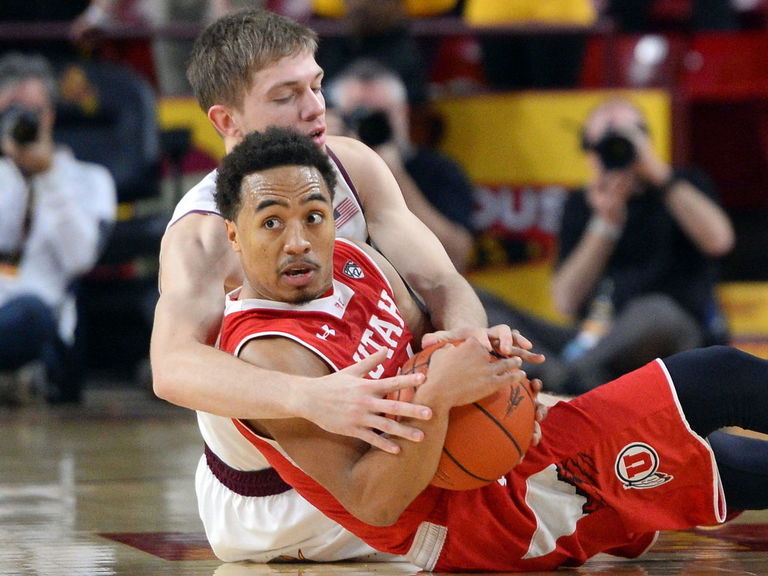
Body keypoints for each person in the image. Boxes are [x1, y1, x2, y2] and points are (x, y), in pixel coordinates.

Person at [203, 126, 768, 571]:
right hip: (474, 521)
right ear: (234, 233)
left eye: (314, 216)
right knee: (721, 446)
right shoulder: (269, 354)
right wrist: (442, 397)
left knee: (718, 387)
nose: (298, 240)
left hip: (497, 456)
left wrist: (490, 365)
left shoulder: (358, 263)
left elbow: (439, 345)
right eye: (271, 222)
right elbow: (372, 502)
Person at [151, 8, 523, 454]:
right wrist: (305, 397)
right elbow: (171, 365)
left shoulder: (354, 164)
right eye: (286, 96)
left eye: (316, 84)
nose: (315, 107)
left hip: (385, 409)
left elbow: (441, 279)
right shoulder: (203, 231)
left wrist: (464, 341)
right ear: (227, 121)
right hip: (278, 450)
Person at [546, 96, 735, 393]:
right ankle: (571, 375)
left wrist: (662, 179)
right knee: (488, 306)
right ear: (590, 155)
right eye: (606, 145)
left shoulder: (684, 183)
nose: (618, 153)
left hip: (673, 336)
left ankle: (564, 380)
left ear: (646, 142)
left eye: (627, 140)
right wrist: (605, 224)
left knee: (653, 312)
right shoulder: (581, 203)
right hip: (594, 337)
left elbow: (720, 241)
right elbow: (564, 301)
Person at [0, 52, 117, 404]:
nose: (22, 120)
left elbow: (79, 258)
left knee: (30, 314)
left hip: (36, 320)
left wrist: (46, 175)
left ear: (49, 115)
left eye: (31, 110)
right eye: (10, 111)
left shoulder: (89, 178)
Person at [326, 59, 475, 271]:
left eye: (380, 116)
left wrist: (394, 174)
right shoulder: (319, 172)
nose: (369, 127)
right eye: (357, 117)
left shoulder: (438, 170)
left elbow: (457, 256)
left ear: (403, 114)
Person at [315, 0, 430, 107]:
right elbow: (322, 89)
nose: (363, 6)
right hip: (344, 123)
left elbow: (418, 95)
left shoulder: (405, 49)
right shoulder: (341, 44)